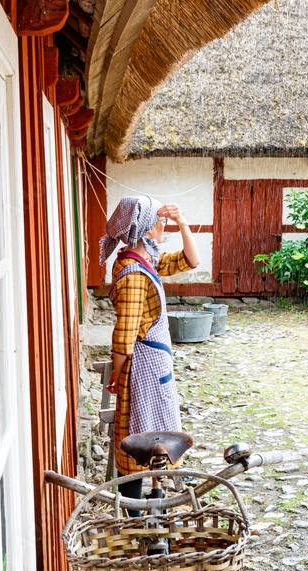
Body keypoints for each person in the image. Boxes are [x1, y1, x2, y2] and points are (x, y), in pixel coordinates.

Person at [99, 195, 200, 514]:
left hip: (151, 364)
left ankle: (151, 502)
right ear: (143, 229)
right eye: (160, 221)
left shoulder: (144, 258)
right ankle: (135, 512)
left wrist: (182, 223)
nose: (163, 226)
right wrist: (118, 373)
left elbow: (191, 260)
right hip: (142, 367)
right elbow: (124, 335)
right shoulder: (133, 274)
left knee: (149, 432)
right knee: (137, 436)